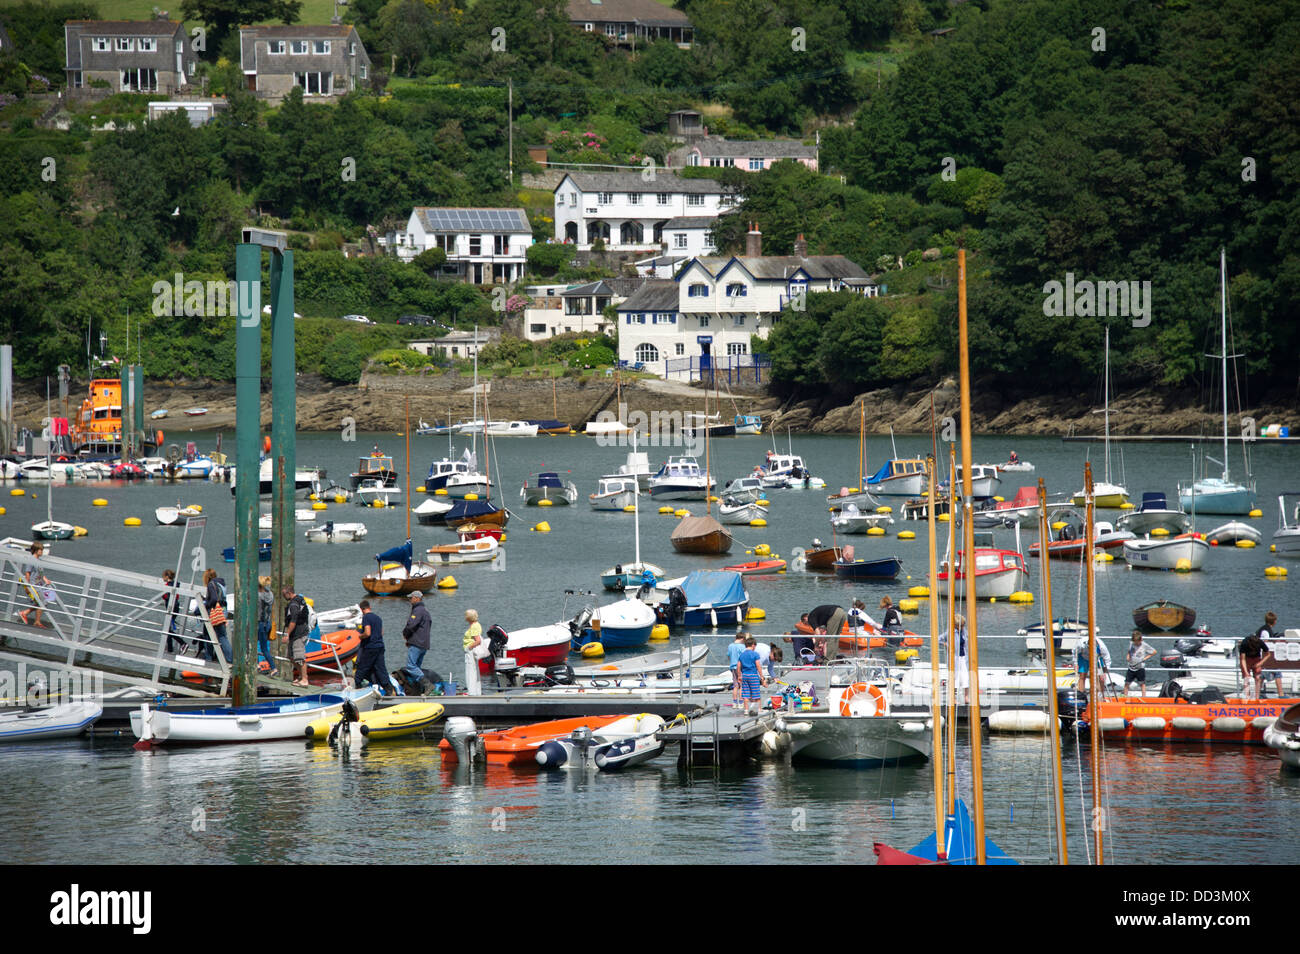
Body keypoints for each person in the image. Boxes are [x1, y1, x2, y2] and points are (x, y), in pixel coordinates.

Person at [353, 599, 396, 695]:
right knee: (381, 669)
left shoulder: (366, 618)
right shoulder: (378, 618)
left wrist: (360, 636)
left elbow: (367, 633)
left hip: (370, 647)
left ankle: (357, 687)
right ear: (369, 607)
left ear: (362, 609)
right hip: (380, 646)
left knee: (362, 668)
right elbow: (382, 632)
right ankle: (388, 689)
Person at [1240, 613, 1282, 699]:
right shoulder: (1244, 643)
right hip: (1247, 659)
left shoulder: (1260, 642)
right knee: (1246, 678)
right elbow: (1243, 659)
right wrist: (1246, 671)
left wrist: (1259, 663)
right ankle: (1247, 697)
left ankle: (1257, 697)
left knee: (1258, 677)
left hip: (1256, 658)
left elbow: (1268, 654)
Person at [282, 585, 311, 686]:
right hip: (295, 634)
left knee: (299, 658)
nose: (283, 597)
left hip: (299, 633)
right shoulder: (299, 600)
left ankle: (304, 679)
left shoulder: (294, 604)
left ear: (289, 593)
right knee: (291, 656)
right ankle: (300, 676)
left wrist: (287, 634)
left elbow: (293, 621)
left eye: (283, 594)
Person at [202, 568, 232, 664]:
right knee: (222, 635)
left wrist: (206, 604)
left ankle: (209, 658)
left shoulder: (211, 584)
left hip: (215, 612)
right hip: (223, 611)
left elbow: (214, 598)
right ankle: (229, 658)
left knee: (208, 635)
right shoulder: (221, 584)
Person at [403, 592, 433, 688]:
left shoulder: (418, 610)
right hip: (424, 644)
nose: (410, 600)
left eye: (411, 598)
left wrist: (405, 635)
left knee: (411, 666)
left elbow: (411, 625)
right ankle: (419, 688)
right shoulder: (425, 611)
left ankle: (427, 685)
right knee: (417, 667)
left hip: (417, 643)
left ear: (416, 598)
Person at [18, 542, 49, 628]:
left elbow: (41, 573)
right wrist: (27, 585)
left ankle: (28, 615)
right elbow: (27, 573)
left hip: (39, 585)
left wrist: (45, 579)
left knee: (42, 602)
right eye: (40, 550)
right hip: (33, 585)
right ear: (35, 550)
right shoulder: (31, 560)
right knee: (42, 602)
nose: (42, 552)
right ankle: (33, 619)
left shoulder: (39, 561)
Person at [1074, 629, 1112, 698]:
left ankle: (1101, 695)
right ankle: (1081, 695)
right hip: (1084, 657)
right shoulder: (1081, 644)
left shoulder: (1101, 646)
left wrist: (1105, 672)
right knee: (1082, 676)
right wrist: (1075, 663)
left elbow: (1107, 658)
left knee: (1101, 677)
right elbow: (1075, 653)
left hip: (1097, 658)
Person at [737, 636, 768, 715]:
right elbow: (758, 666)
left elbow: (738, 666)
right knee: (756, 693)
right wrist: (761, 676)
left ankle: (746, 710)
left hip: (744, 675)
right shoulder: (755, 654)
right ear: (753, 645)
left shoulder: (742, 655)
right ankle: (759, 709)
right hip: (753, 675)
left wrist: (739, 676)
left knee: (746, 693)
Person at [1123, 630, 1157, 697]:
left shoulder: (1144, 645)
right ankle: (1125, 696)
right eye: (1135, 642)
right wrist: (1128, 656)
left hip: (1140, 667)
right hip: (1131, 666)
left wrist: (1145, 658)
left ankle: (1144, 697)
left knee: (1142, 683)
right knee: (1127, 683)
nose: (1136, 643)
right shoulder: (1131, 644)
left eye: (1137, 642)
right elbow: (1129, 651)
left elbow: (1154, 652)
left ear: (1140, 640)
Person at [159, 569, 183, 653]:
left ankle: (182, 643)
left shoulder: (167, 585)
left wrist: (164, 597)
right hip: (176, 607)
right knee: (168, 628)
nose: (162, 578)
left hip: (171, 608)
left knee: (167, 629)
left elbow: (165, 596)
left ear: (166, 576)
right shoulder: (176, 585)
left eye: (163, 576)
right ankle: (170, 648)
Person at [462, 608, 482, 696]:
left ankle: (471, 692)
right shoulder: (477, 624)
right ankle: (477, 691)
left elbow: (478, 640)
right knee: (475, 671)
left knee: (470, 671)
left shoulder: (473, 626)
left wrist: (468, 647)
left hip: (470, 651)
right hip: (473, 651)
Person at [256, 576, 274, 671]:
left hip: (258, 624)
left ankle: (257, 665)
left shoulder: (257, 596)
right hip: (267, 623)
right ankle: (273, 668)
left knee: (250, 643)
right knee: (264, 648)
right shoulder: (270, 594)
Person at [953, 613, 970, 705]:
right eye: (961, 625)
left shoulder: (964, 632)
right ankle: (954, 699)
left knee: (965, 677)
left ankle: (966, 697)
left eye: (964, 625)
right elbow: (940, 639)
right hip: (955, 658)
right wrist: (946, 645)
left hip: (963, 657)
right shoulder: (950, 633)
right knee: (955, 678)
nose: (963, 627)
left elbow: (968, 641)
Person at [727, 632, 747, 705]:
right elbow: (744, 657)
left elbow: (728, 656)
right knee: (742, 685)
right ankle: (741, 702)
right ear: (742, 639)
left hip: (732, 667)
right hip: (740, 667)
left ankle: (735, 702)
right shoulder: (742, 647)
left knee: (735, 686)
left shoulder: (730, 646)